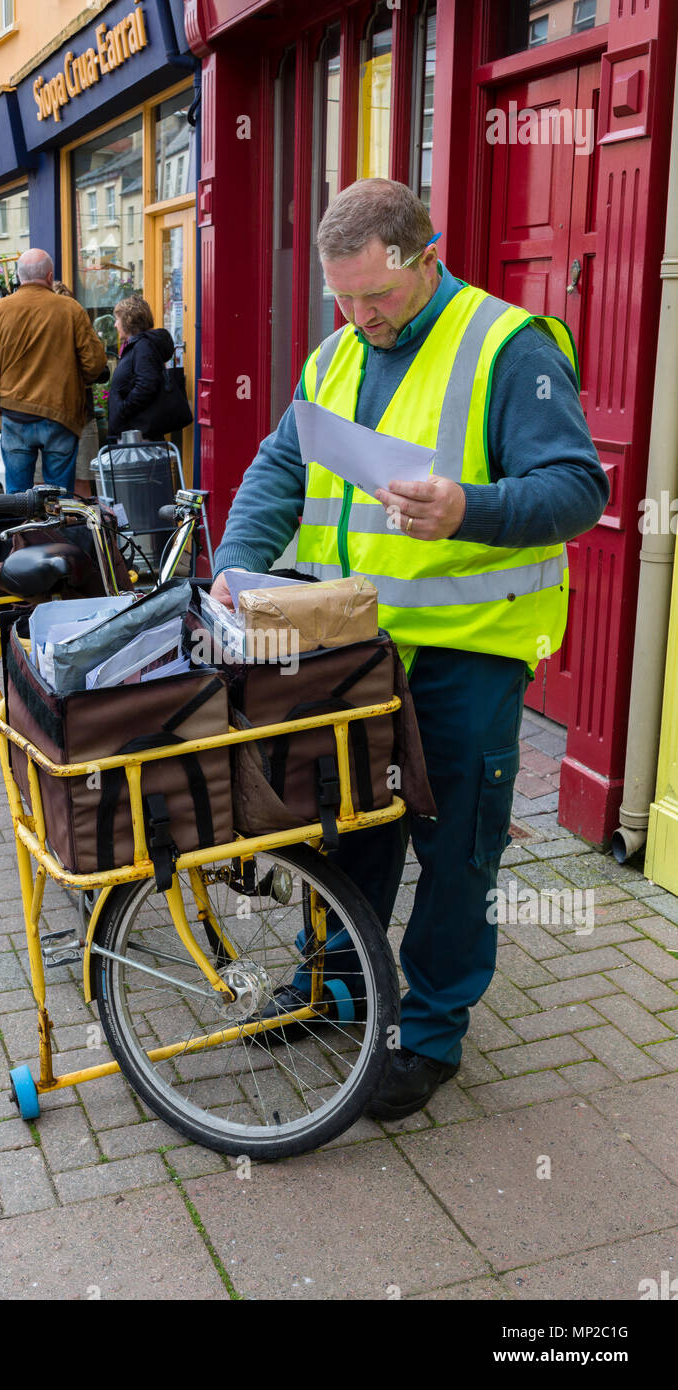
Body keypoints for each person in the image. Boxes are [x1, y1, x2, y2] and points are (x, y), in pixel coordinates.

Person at [209, 178, 609, 1121]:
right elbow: (282, 462)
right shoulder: (338, 352)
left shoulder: (512, 348)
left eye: (375, 297)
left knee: (458, 851)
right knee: (351, 824)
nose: (359, 317)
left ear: (424, 255)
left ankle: (428, 1033)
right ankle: (339, 987)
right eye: (340, 298)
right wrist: (235, 562)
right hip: (354, 648)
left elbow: (577, 488)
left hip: (467, 658)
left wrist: (471, 507)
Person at [0, 248, 107, 493]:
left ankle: (21, 531)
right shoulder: (71, 309)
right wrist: (74, 386)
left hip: (15, 414)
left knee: (17, 497)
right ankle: (53, 531)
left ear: (18, 276)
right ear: (49, 276)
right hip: (60, 413)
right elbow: (95, 365)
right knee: (58, 500)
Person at [52, 279, 109, 498]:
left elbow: (101, 370)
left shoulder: (82, 334)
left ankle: (78, 531)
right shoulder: (40, 338)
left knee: (80, 487)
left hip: (80, 419)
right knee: (45, 488)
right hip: (54, 419)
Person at [106, 295, 176, 441]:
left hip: (138, 437)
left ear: (128, 321)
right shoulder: (136, 346)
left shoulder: (143, 346)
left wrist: (123, 409)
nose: (115, 325)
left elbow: (147, 384)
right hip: (132, 434)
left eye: (117, 319)